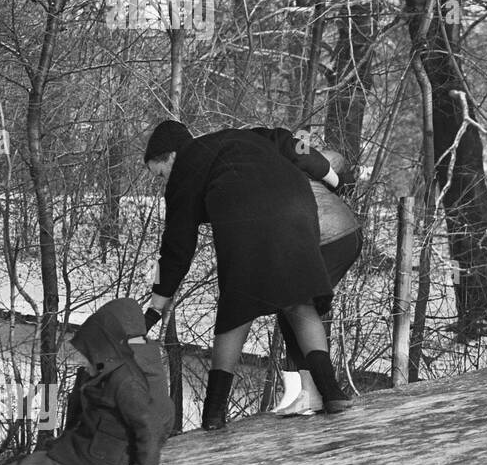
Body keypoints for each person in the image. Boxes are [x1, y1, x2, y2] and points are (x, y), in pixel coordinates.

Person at [142, 120, 350, 430]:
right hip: (297, 207)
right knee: (299, 301)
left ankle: (213, 414)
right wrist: (332, 177)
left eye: (160, 173)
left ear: (171, 155)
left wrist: (155, 307)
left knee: (237, 311)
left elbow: (176, 248)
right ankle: (332, 393)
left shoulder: (183, 172)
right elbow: (293, 142)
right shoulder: (242, 136)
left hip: (244, 218)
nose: (163, 181)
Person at [0, 299, 170, 465]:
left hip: (95, 459)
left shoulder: (130, 373)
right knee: (26, 464)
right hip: (85, 449)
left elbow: (153, 423)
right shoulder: (124, 360)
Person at [273, 147, 364, 417]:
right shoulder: (292, 162)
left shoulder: (277, 164)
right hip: (340, 235)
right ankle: (309, 392)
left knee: (297, 306)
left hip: (328, 238)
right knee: (291, 307)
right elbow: (332, 159)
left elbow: (332, 157)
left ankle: (326, 392)